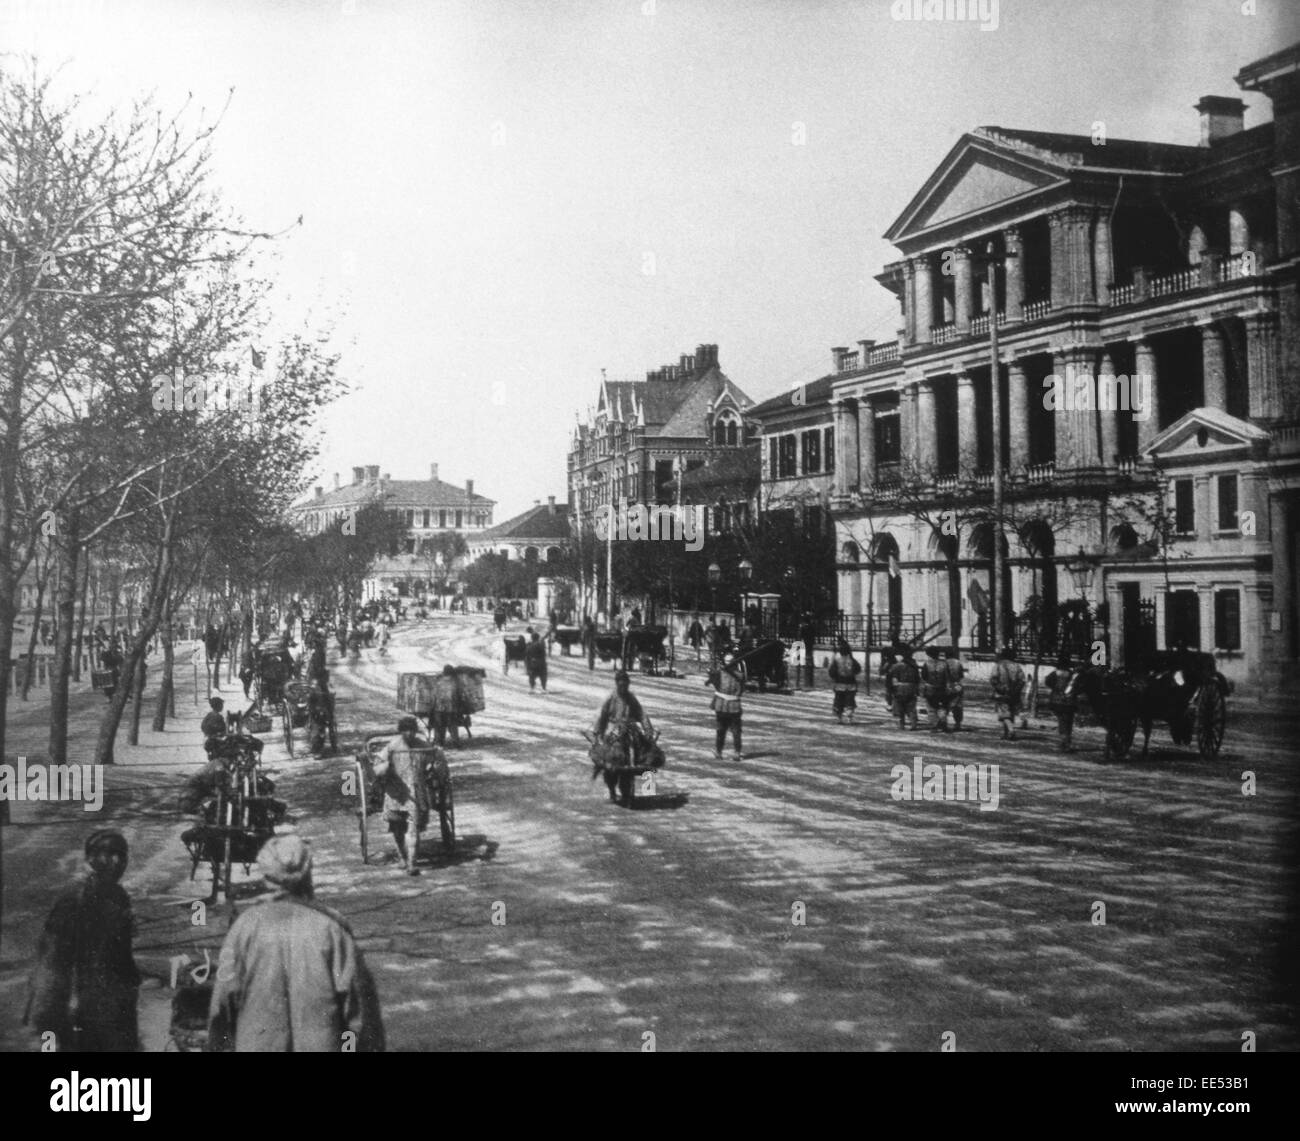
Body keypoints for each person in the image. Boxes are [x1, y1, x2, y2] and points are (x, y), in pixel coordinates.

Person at [208, 835, 385, 1052]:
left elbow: (222, 1006)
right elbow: (358, 1013)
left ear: (265, 877)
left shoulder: (243, 930)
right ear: (308, 874)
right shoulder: (332, 930)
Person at [24, 830, 141, 1052]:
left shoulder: (118, 895)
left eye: (121, 855)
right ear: (91, 859)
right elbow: (52, 955)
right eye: (107, 854)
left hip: (116, 999)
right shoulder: (75, 898)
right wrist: (54, 1007)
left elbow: (120, 953)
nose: (116, 861)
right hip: (84, 1002)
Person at [372, 717, 434, 875]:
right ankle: (401, 856)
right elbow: (377, 768)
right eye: (406, 730)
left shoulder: (423, 746)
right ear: (401, 731)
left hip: (416, 792)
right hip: (395, 794)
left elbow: (435, 761)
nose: (410, 734)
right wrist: (385, 767)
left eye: (413, 730)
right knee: (397, 829)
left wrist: (435, 762)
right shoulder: (392, 746)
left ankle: (412, 863)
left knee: (413, 830)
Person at [593, 670, 652, 804]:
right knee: (611, 759)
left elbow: (642, 714)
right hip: (613, 730)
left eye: (626, 684)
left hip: (630, 729)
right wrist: (598, 734)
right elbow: (601, 716)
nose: (623, 687)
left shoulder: (631, 698)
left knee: (643, 749)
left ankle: (630, 789)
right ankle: (612, 790)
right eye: (621, 685)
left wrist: (648, 729)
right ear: (617, 684)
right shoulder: (610, 698)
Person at [709, 652, 745, 760]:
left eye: (730, 661)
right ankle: (718, 751)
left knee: (736, 730)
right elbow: (715, 682)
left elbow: (741, 686)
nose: (728, 663)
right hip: (721, 705)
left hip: (734, 705)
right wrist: (712, 674)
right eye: (727, 661)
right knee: (720, 730)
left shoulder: (739, 674)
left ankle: (737, 752)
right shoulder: (720, 673)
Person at [1045, 654, 1080, 753]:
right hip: (1070, 702)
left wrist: (1055, 689)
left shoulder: (1055, 673)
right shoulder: (1072, 674)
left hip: (1057, 701)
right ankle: (1067, 743)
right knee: (1069, 722)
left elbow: (1047, 682)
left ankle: (1063, 744)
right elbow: (1077, 687)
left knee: (1062, 722)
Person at [992, 646, 1027, 740]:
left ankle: (1011, 731)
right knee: (1010, 713)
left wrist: (1000, 688)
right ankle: (1005, 733)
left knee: (1004, 713)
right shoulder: (1016, 666)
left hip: (1002, 693)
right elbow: (1022, 680)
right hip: (1015, 693)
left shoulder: (998, 665)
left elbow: (993, 679)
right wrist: (1016, 690)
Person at [887, 646, 920, 730]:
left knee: (899, 706)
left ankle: (901, 724)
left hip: (899, 688)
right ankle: (913, 724)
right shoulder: (914, 666)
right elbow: (917, 679)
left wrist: (890, 689)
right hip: (911, 687)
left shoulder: (896, 666)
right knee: (911, 707)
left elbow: (889, 677)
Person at [828, 640, 861, 723]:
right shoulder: (852, 660)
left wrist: (835, 677)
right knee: (850, 701)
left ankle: (839, 718)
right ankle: (849, 718)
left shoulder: (837, 661)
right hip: (851, 684)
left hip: (839, 684)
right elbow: (858, 669)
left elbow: (832, 672)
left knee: (839, 701)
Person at [921, 649, 950, 733]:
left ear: (929, 654)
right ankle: (943, 721)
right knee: (943, 707)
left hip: (930, 688)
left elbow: (924, 676)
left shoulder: (926, 664)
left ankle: (934, 725)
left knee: (931, 708)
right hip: (942, 688)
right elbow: (947, 677)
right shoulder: (944, 664)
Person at [943, 649, 966, 731]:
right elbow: (961, 675)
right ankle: (958, 724)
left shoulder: (944, 663)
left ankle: (943, 723)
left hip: (947, 685)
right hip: (957, 685)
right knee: (958, 706)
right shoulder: (958, 662)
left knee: (945, 705)